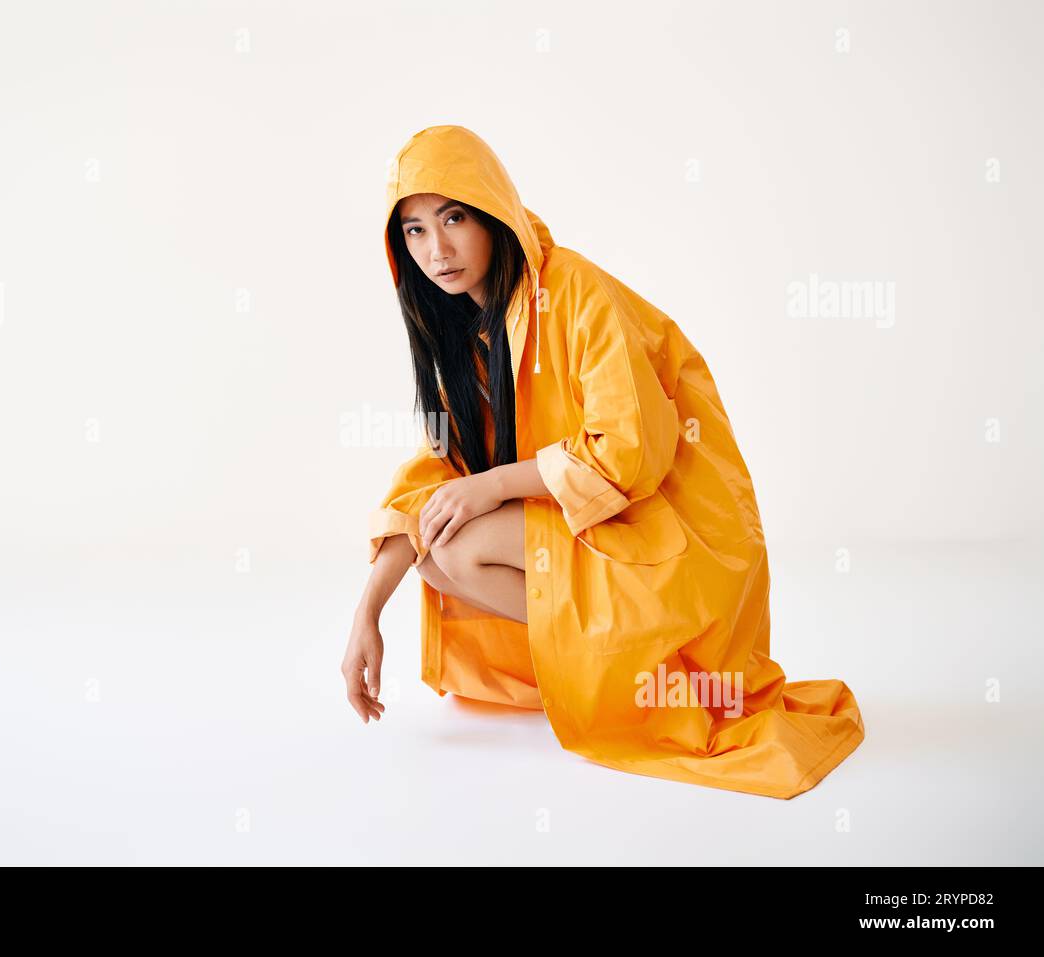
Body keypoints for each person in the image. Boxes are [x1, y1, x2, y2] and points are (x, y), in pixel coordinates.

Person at [342, 125, 865, 799]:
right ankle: (592, 665)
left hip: (669, 541)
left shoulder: (575, 293)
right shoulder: (462, 334)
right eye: (413, 231)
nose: (436, 249)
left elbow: (625, 450)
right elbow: (428, 481)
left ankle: (631, 666)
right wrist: (367, 612)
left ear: (492, 211)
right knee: (436, 547)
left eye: (454, 217)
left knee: (459, 537)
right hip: (596, 538)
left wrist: (490, 485)